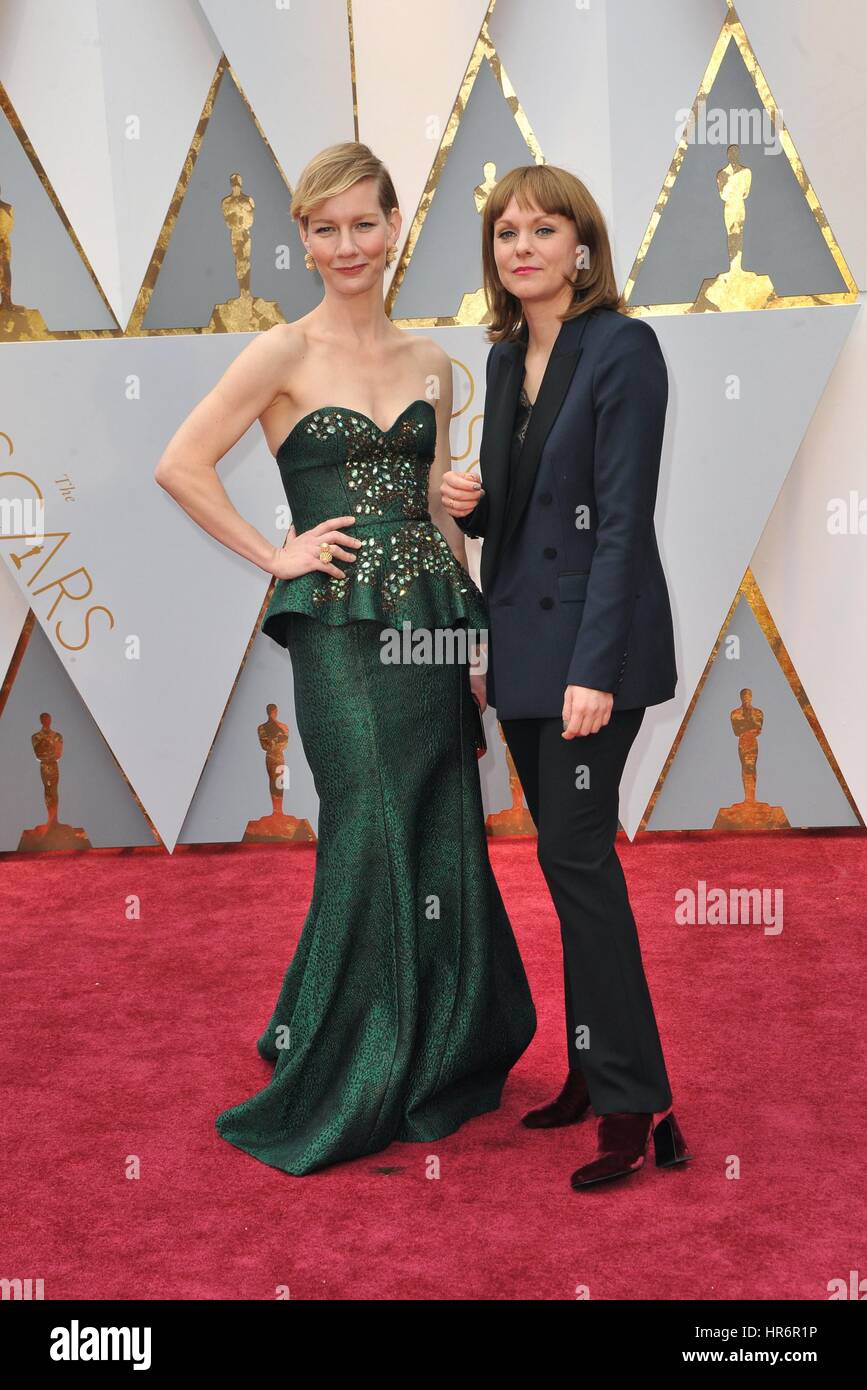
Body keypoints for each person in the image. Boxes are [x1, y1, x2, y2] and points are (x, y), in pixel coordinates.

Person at [154, 141, 536, 1177]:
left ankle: (438, 1039)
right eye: (324, 229)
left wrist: (472, 644)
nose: (345, 245)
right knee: (366, 819)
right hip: (334, 628)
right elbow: (179, 464)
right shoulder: (279, 353)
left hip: (427, 622)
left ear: (393, 225)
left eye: (363, 223)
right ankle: (352, 1050)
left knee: (433, 811)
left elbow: (437, 514)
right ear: (304, 238)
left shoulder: (432, 364)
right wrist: (275, 550)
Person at [441, 164, 692, 1189]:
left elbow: (621, 521)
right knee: (562, 865)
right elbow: (525, 517)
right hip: (528, 662)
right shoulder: (505, 360)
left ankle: (641, 1107)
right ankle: (596, 1070)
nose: (523, 246)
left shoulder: (624, 347)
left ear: (581, 245)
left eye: (544, 228)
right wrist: (469, 504)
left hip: (601, 657)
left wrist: (594, 672)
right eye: (506, 233)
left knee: (580, 866)